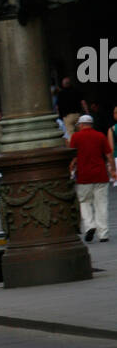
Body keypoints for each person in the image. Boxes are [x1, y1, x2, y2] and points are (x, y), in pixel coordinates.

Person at [70, 114, 115, 243]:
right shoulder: (100, 136)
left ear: (81, 125)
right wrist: (113, 170)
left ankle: (90, 226)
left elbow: (73, 157)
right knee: (101, 204)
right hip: (100, 174)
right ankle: (103, 234)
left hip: (84, 176)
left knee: (85, 202)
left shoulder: (76, 137)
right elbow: (109, 154)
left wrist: (71, 167)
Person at [57, 77, 86, 141]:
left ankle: (74, 147)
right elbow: (83, 102)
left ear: (63, 84)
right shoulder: (76, 91)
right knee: (80, 132)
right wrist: (87, 112)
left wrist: (60, 116)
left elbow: (58, 106)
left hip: (67, 117)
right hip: (77, 115)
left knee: (71, 133)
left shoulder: (61, 93)